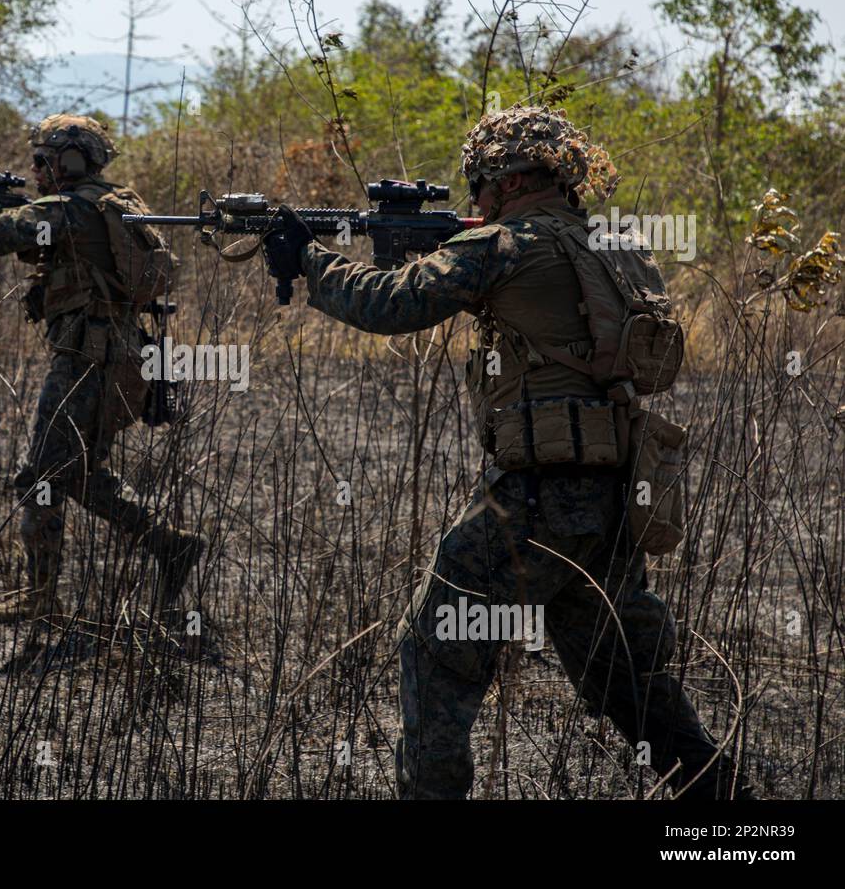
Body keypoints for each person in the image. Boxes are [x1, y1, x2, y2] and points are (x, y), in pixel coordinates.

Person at [262, 105, 752, 799]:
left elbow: (390, 306)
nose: (474, 200)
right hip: (615, 502)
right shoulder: (615, 245)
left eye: (479, 184)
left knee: (434, 653)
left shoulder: (502, 246)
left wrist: (309, 256)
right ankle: (733, 812)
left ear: (507, 179)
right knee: (627, 683)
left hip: (533, 500)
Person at [0, 114, 203, 626]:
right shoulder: (112, 203)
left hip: (89, 362)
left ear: (72, 161)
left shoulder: (69, 209)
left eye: (44, 160)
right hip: (123, 360)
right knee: (79, 474)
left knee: (41, 474)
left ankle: (42, 598)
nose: (35, 169)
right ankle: (170, 544)